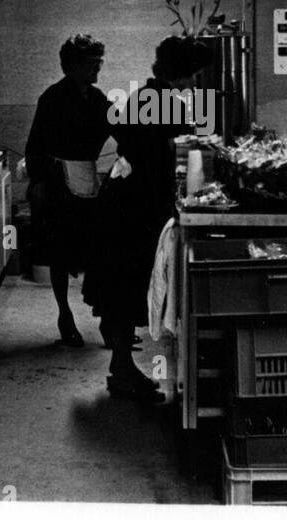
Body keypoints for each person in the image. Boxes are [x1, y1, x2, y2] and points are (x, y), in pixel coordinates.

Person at [84, 35, 212, 403]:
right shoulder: (160, 100)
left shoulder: (150, 95)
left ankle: (121, 369)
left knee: (124, 292)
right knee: (126, 291)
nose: (195, 82)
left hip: (129, 203)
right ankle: (121, 372)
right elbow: (159, 157)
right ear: (181, 73)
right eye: (193, 74)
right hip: (133, 210)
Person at [24, 34, 113, 347]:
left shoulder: (98, 97)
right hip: (57, 181)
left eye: (99, 63)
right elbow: (33, 146)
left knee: (98, 251)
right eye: (92, 64)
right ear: (73, 66)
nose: (97, 69)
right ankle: (65, 315)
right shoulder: (52, 98)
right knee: (60, 253)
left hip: (87, 175)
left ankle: (108, 322)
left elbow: (120, 124)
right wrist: (38, 184)